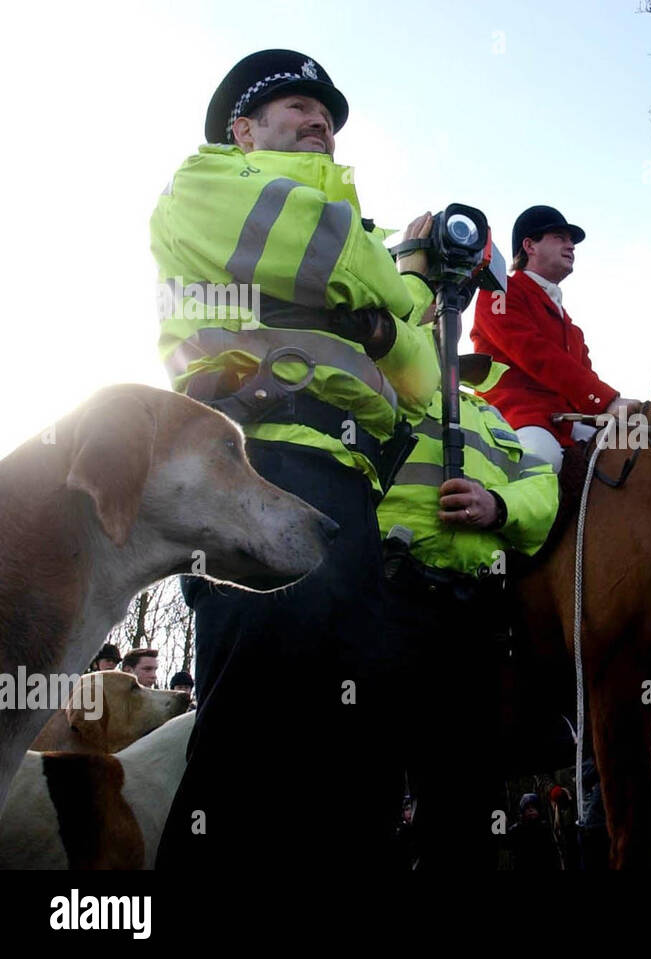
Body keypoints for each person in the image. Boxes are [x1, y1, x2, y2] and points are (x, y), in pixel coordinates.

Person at [151, 49, 440, 872]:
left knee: (361, 763)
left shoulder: (352, 228)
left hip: (351, 498)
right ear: (243, 129)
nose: (322, 123)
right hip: (251, 472)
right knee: (248, 747)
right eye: (298, 108)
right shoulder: (202, 184)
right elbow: (324, 251)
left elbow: (419, 378)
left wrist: (386, 317)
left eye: (330, 116)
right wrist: (392, 294)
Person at [375, 349, 558, 870]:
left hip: (474, 619)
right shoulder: (381, 390)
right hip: (390, 602)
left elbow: (542, 489)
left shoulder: (493, 416)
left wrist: (497, 505)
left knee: (467, 799)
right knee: (367, 783)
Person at [469, 206, 640, 470]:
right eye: (560, 237)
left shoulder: (571, 328)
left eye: (571, 241)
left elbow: (583, 378)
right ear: (529, 246)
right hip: (517, 417)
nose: (571, 246)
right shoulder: (500, 291)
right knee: (543, 462)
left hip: (566, 422)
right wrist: (605, 400)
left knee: (632, 448)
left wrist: (610, 413)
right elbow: (534, 353)